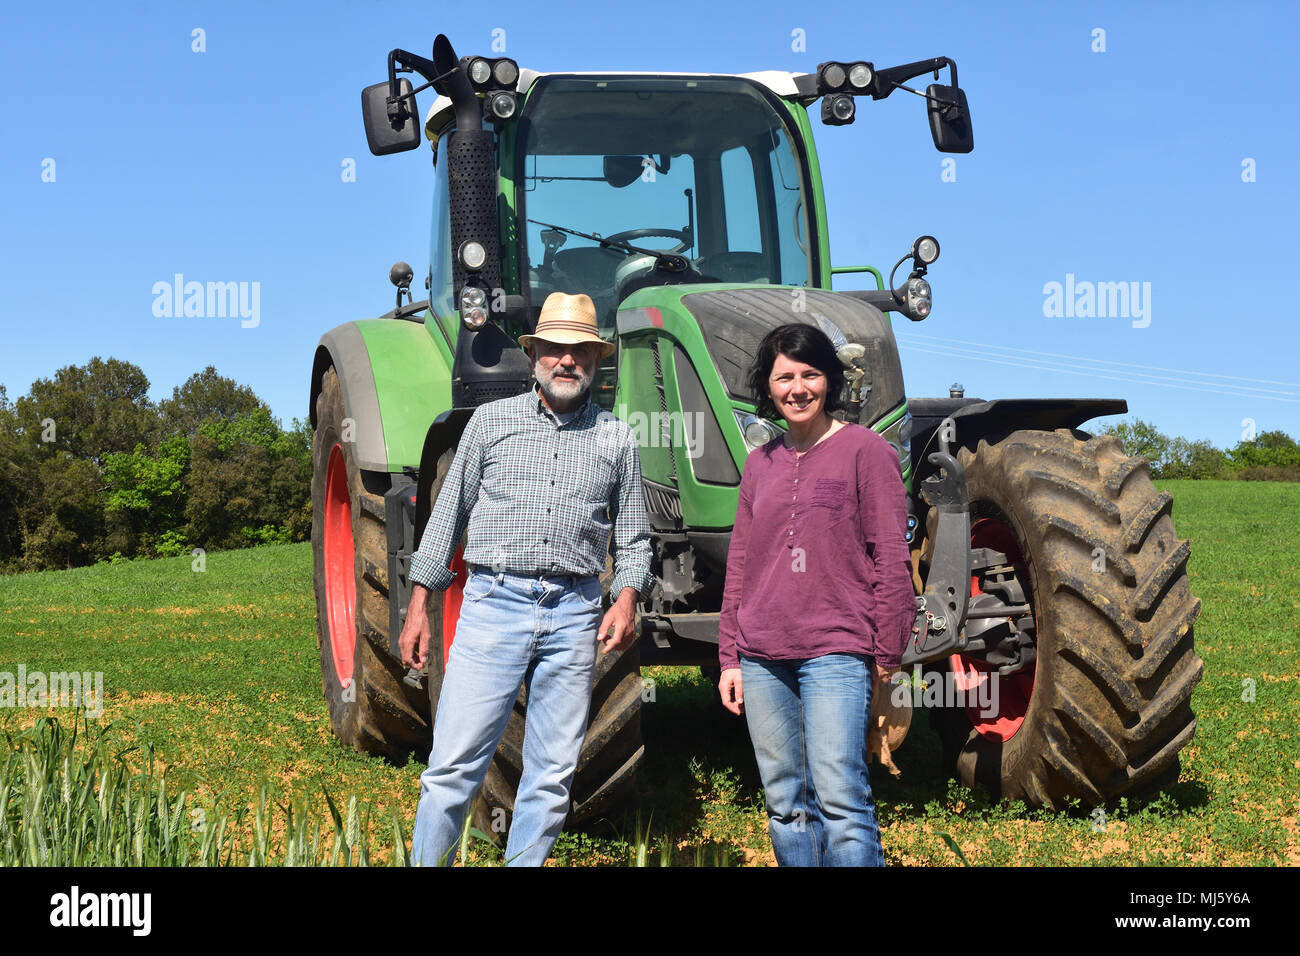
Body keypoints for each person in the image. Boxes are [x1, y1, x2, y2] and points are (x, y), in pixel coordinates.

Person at [399, 292, 652, 867]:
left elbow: (635, 538)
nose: (568, 362)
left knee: (551, 776)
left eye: (581, 353)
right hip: (495, 605)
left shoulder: (616, 438)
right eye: (557, 350)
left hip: (575, 612)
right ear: (535, 354)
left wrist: (627, 596)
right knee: (454, 766)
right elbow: (448, 518)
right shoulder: (489, 423)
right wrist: (420, 605)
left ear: (596, 361)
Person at [717, 323, 915, 867]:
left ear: (829, 381)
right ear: (769, 386)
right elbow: (742, 563)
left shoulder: (864, 451)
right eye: (785, 377)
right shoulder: (761, 464)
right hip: (761, 656)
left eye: (810, 374)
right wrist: (730, 655)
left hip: (836, 649)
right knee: (784, 803)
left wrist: (888, 652)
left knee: (840, 797)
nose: (798, 388)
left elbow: (891, 556)